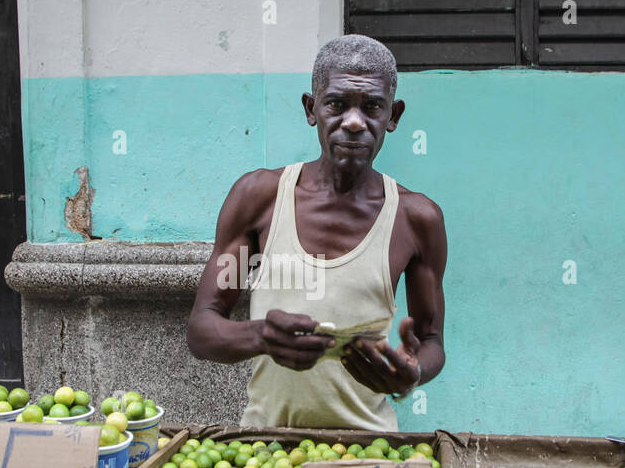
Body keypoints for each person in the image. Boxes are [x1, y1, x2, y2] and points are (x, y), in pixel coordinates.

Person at [186, 34, 447, 429]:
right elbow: (203, 329)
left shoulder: (416, 218)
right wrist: (261, 337)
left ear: (393, 117)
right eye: (337, 104)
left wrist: (412, 372)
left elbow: (431, 342)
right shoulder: (260, 198)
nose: (355, 122)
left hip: (368, 449)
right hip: (265, 447)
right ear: (312, 109)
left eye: (372, 107)